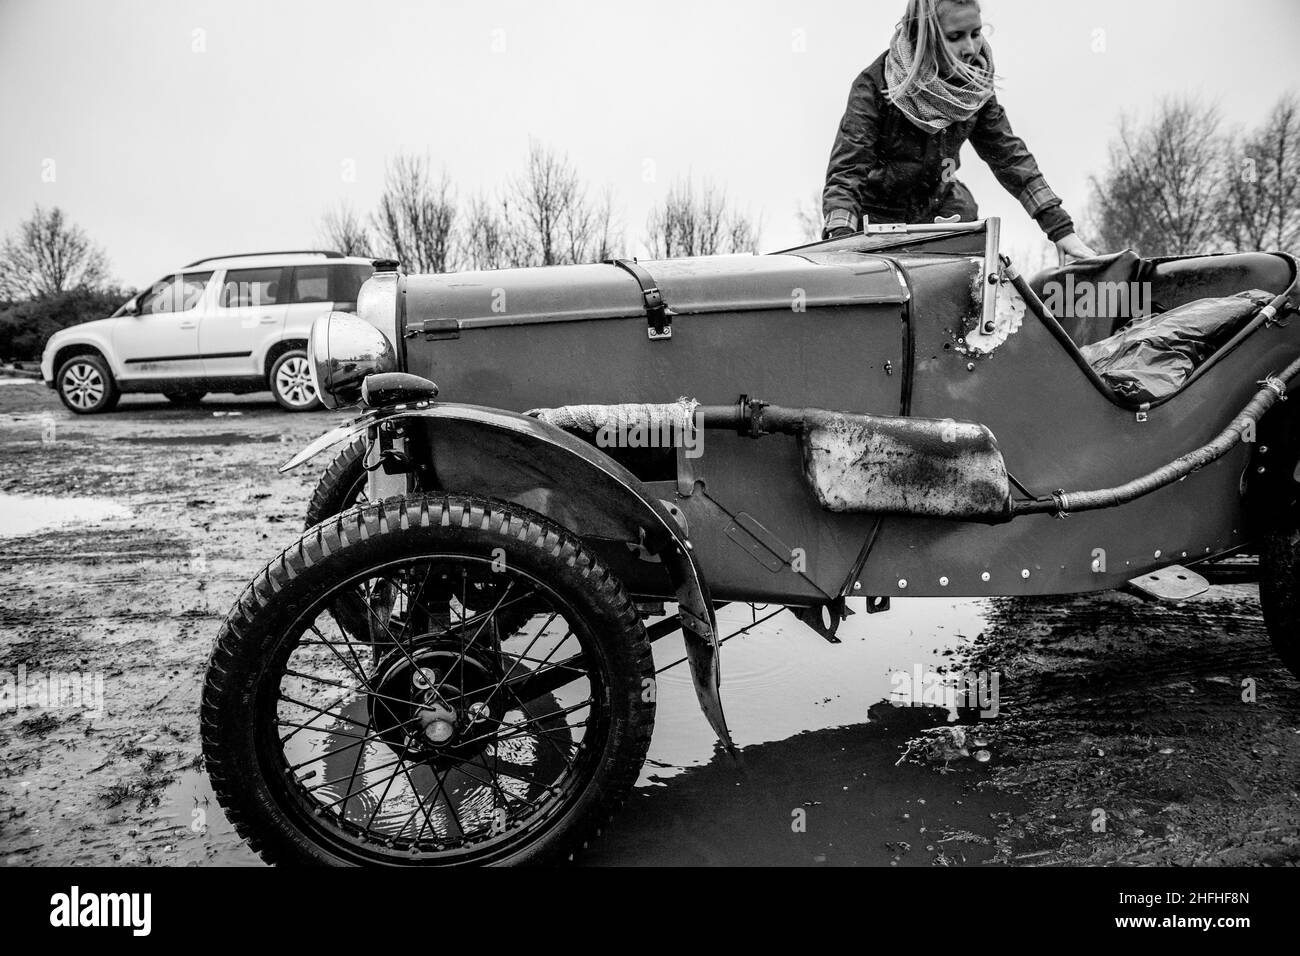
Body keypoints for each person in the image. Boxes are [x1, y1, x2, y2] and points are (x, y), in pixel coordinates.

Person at [821, 0, 1098, 261]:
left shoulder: (973, 89)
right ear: (924, 38)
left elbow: (1009, 157)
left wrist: (1062, 231)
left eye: (975, 33)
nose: (970, 48)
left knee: (965, 221)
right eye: (955, 37)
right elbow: (848, 171)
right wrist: (841, 239)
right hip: (876, 218)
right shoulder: (876, 86)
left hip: (941, 210)